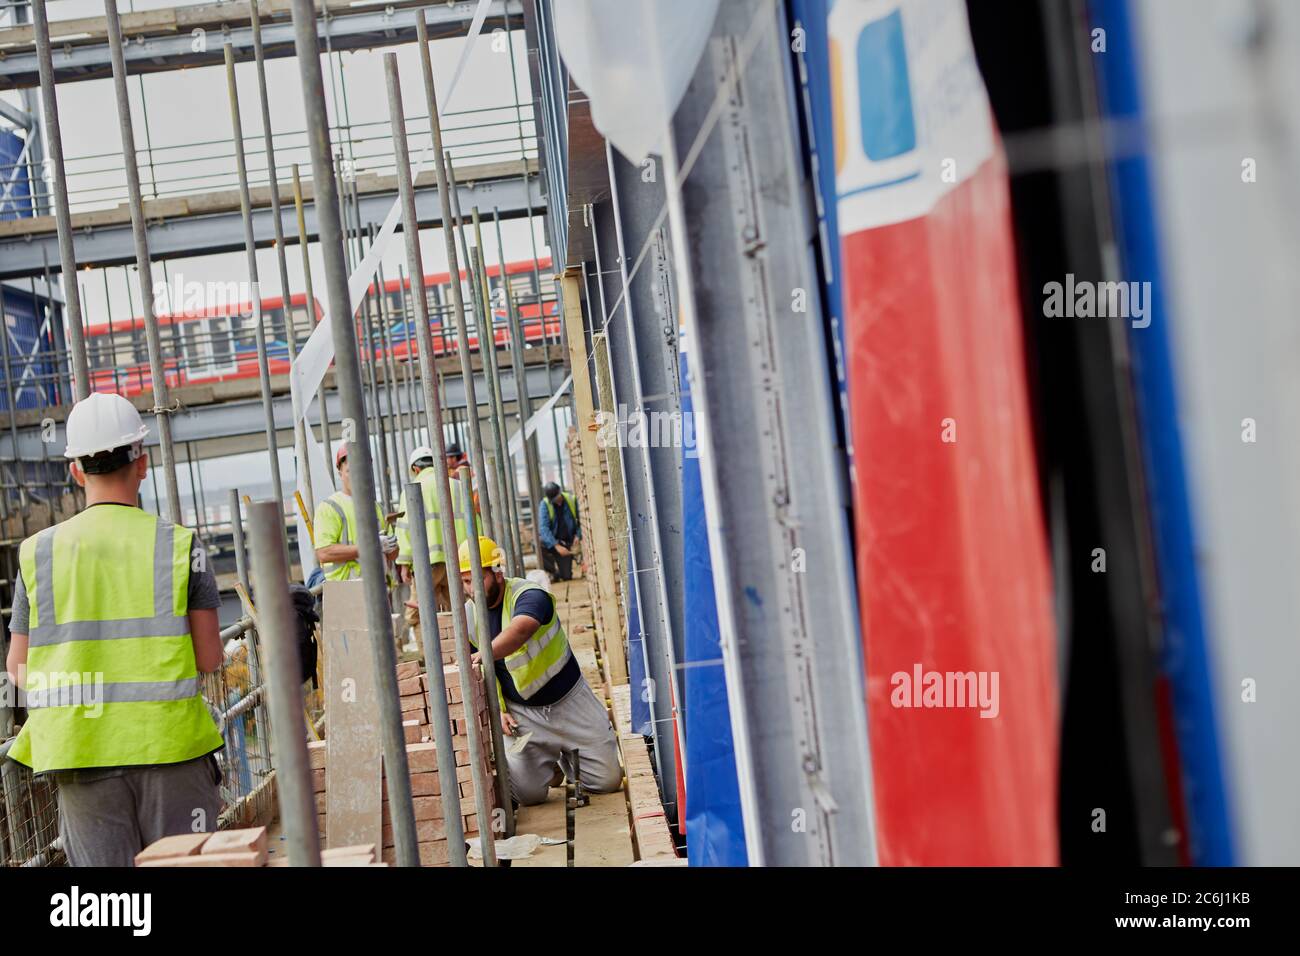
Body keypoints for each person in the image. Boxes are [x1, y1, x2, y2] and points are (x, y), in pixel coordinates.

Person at [3, 392, 226, 866]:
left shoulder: (38, 553)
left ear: (76, 470)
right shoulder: (180, 546)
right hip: (172, 748)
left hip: (79, 753)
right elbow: (209, 658)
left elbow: (19, 668)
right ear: (141, 463)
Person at [458, 536, 621, 806]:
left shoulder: (530, 595)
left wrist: (483, 654)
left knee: (607, 782)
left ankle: (567, 753)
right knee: (527, 796)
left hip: (570, 702)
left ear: (498, 573)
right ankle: (550, 760)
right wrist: (498, 710)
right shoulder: (468, 618)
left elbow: (521, 630)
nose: (471, 588)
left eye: (477, 578)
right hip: (525, 715)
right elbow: (483, 675)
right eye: (465, 581)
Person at [395, 445, 467, 631]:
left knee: (418, 612)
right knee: (460, 609)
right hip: (459, 561)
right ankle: (464, 652)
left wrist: (404, 564)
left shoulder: (411, 490)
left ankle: (429, 656)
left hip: (427, 563)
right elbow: (474, 523)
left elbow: (404, 530)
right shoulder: (457, 486)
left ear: (415, 469)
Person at [313, 443, 396, 581]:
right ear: (340, 473)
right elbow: (324, 553)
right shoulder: (330, 507)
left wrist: (391, 546)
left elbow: (393, 555)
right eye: (351, 471)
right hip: (346, 589)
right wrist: (370, 547)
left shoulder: (377, 508)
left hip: (379, 587)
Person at [537, 482, 581, 581]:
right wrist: (556, 546)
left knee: (566, 576)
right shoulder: (545, 505)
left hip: (566, 543)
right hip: (552, 543)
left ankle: (560, 573)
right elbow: (544, 528)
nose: (558, 502)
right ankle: (552, 571)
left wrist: (578, 535)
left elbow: (581, 520)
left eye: (558, 497)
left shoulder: (571, 500)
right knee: (539, 543)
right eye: (554, 500)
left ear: (560, 492)